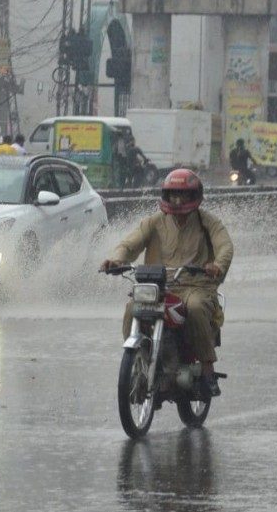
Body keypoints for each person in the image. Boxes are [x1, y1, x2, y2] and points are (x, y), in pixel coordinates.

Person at [100, 169, 233, 398]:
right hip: (158, 285)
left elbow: (225, 246)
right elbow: (130, 244)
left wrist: (217, 265)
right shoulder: (154, 222)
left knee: (195, 308)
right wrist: (116, 259)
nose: (177, 201)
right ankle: (139, 359)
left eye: (183, 195)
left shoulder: (207, 222)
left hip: (196, 285)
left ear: (195, 196)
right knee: (133, 308)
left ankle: (208, 369)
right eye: (173, 195)